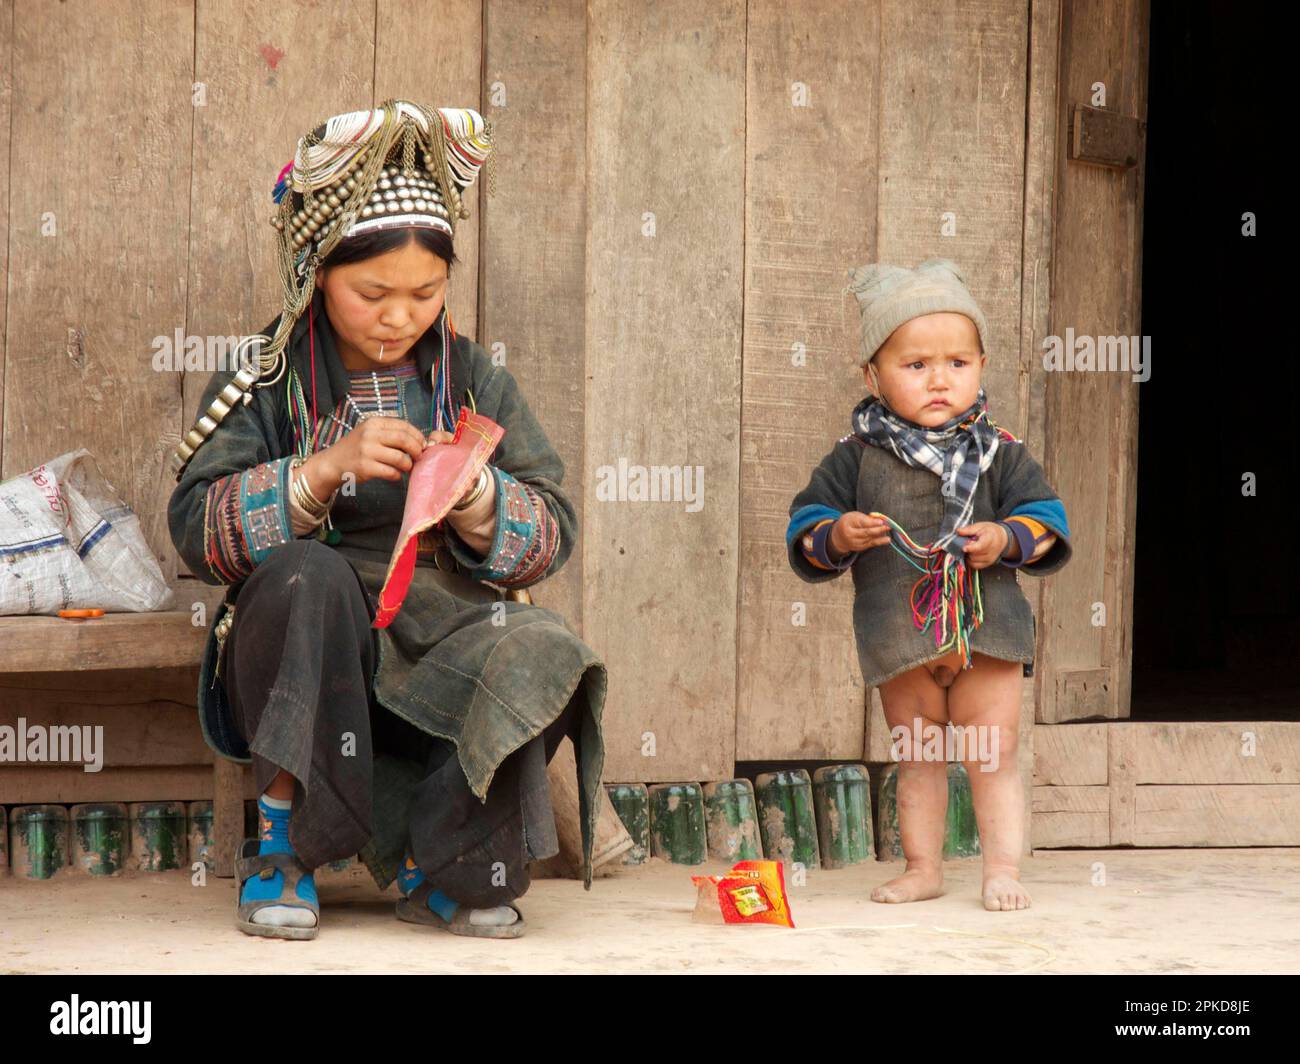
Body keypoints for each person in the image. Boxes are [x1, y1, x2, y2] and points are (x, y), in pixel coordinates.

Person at [167, 99, 606, 940]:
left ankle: (446, 867)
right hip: (309, 628)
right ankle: (283, 852)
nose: (400, 316)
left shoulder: (473, 377)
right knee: (310, 577)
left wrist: (474, 496)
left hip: (439, 623)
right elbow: (194, 526)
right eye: (373, 292)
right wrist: (321, 471)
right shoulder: (268, 379)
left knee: (545, 648)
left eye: (425, 293)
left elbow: (551, 527)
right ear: (316, 273)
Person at [785, 258, 1070, 912]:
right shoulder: (855, 455)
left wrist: (1005, 538)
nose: (940, 379)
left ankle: (1001, 870)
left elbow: (1047, 520)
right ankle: (923, 868)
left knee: (991, 756)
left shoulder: (1000, 450)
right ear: (872, 376)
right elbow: (808, 522)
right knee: (918, 758)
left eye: (958, 363)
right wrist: (839, 534)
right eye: (916, 366)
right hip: (901, 641)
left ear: (981, 365)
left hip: (985, 638)